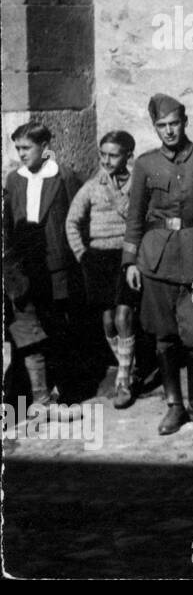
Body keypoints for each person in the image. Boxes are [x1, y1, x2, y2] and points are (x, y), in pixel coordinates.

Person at [122, 95, 193, 435]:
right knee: (165, 336)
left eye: (174, 124)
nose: (169, 131)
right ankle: (174, 405)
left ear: (185, 122)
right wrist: (130, 261)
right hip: (158, 265)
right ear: (155, 128)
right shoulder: (146, 164)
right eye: (161, 126)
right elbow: (135, 216)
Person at [3, 122, 83, 420]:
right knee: (29, 331)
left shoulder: (64, 177)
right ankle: (39, 396)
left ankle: (63, 392)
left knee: (58, 329)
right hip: (25, 270)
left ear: (45, 145)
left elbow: (77, 217)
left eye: (27, 148)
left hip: (56, 267)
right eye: (18, 148)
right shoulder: (14, 180)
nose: (21, 154)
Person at [65, 131, 142, 409]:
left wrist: (137, 255)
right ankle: (128, 366)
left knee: (124, 315)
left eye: (114, 155)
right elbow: (72, 222)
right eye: (103, 154)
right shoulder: (90, 187)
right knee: (108, 320)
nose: (107, 160)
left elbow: (138, 217)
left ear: (128, 156)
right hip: (97, 260)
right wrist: (82, 254)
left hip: (125, 257)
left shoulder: (137, 183)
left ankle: (123, 380)